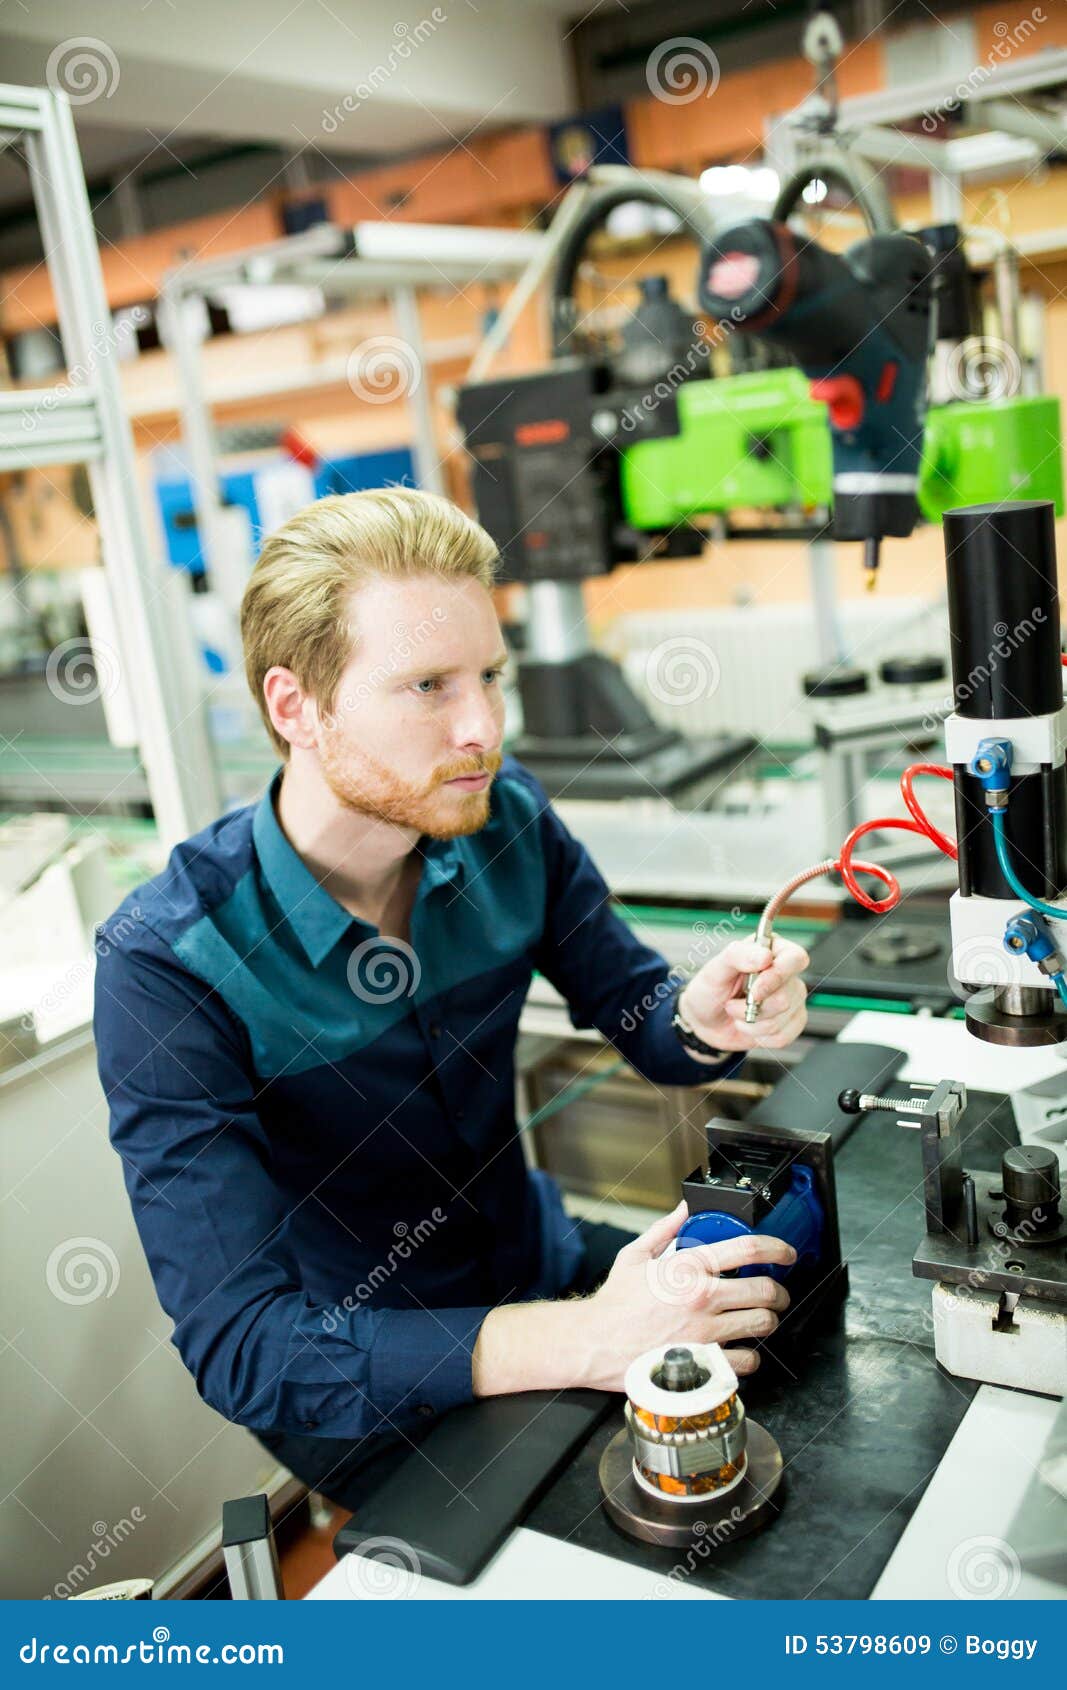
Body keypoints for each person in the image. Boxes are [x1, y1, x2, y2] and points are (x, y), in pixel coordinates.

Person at [94, 488, 808, 1507]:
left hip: (544, 1266)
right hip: (365, 1386)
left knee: (796, 1353)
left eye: (488, 677)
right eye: (427, 685)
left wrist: (703, 1015)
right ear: (295, 705)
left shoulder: (504, 817)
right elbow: (245, 1346)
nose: (482, 727)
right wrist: (591, 1338)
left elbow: (638, 1014)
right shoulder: (167, 962)